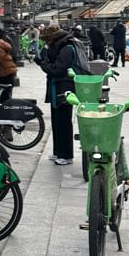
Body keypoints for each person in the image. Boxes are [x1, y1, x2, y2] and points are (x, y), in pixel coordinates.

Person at [40, 25, 78, 165]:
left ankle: (66, 155)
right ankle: (58, 152)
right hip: (57, 87)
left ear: (52, 38)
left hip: (64, 89)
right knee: (57, 121)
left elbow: (57, 70)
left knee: (63, 122)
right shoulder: (60, 46)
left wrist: (44, 64)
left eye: (47, 40)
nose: (46, 43)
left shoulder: (66, 48)